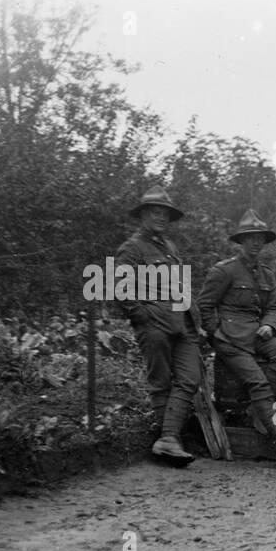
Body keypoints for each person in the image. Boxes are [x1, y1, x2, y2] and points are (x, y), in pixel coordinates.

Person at [115, 185, 202, 463]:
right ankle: (169, 440)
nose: (161, 218)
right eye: (155, 212)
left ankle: (168, 438)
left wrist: (194, 320)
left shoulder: (170, 248)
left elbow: (180, 286)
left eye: (165, 213)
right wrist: (144, 316)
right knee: (161, 381)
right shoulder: (132, 248)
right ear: (142, 216)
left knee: (189, 378)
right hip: (154, 325)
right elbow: (120, 288)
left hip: (181, 323)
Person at [199, 210, 276, 457]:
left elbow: (274, 307)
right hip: (230, 340)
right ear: (241, 241)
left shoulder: (266, 274)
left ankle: (257, 408)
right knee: (258, 381)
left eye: (260, 238)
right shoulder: (224, 271)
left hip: (256, 334)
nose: (255, 243)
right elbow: (205, 305)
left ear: (264, 242)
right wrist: (217, 334)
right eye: (250, 238)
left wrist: (270, 325)